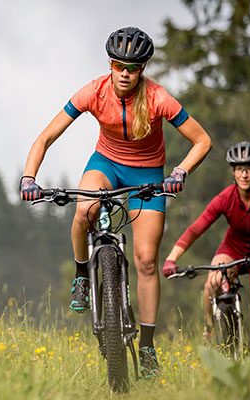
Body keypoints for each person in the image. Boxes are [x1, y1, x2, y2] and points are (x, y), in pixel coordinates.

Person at [20, 26, 212, 378]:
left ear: (142, 70)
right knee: (84, 210)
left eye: (133, 68)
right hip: (106, 164)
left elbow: (202, 141)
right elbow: (46, 136)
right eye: (119, 65)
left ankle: (148, 346)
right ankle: (82, 274)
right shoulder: (94, 91)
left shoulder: (158, 99)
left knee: (146, 260)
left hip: (149, 175)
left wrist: (180, 172)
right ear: (110, 64)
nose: (125, 73)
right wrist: (29, 177)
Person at [162, 141, 250, 349]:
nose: (244, 175)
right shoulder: (226, 198)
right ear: (233, 172)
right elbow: (195, 229)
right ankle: (210, 327)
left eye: (249, 169)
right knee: (212, 284)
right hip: (232, 251)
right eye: (239, 169)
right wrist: (171, 259)